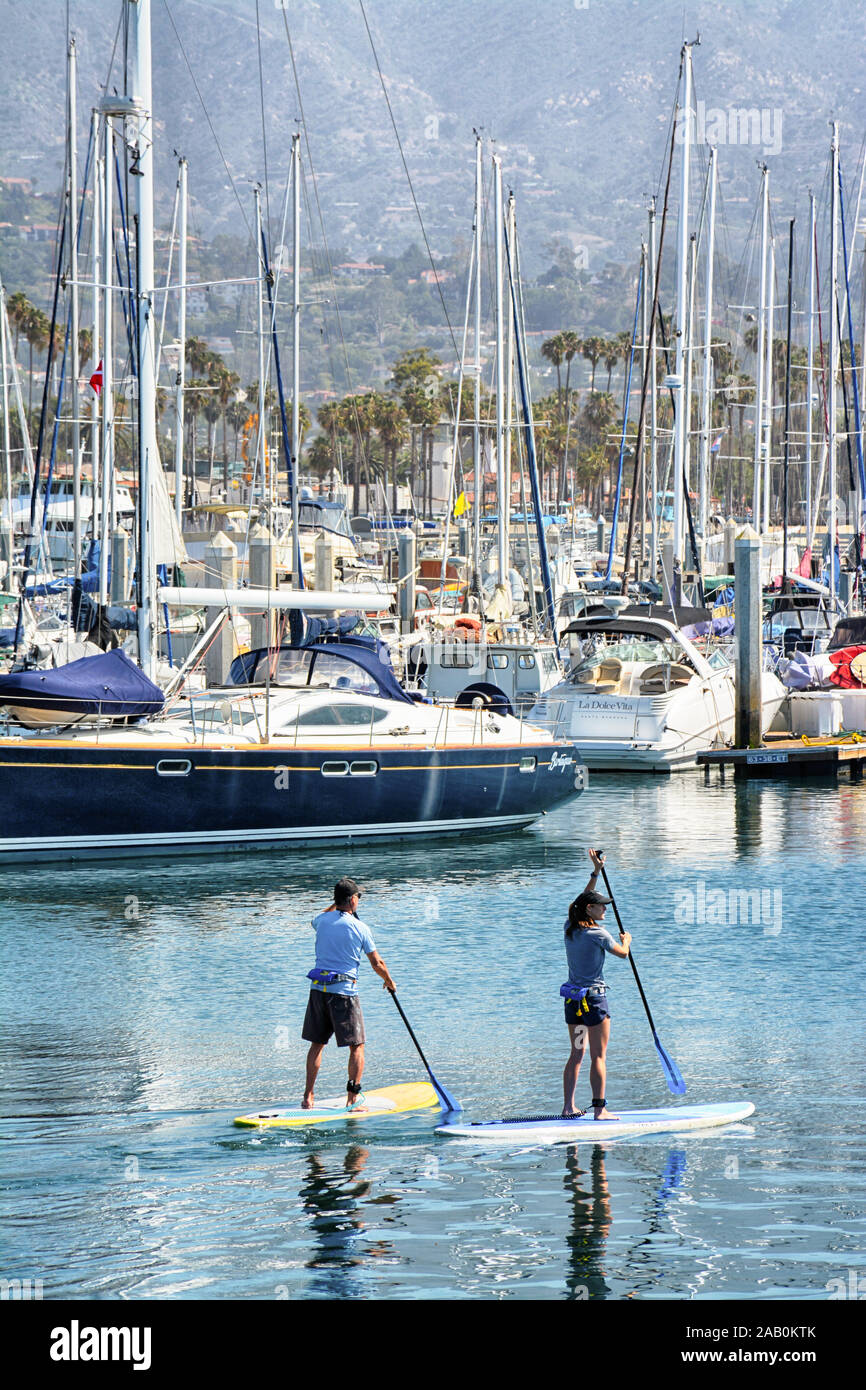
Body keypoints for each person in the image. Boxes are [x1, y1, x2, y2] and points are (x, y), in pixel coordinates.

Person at [302, 877, 396, 1111]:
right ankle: (352, 1100)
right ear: (353, 900)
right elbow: (376, 962)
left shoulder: (322, 921)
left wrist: (336, 904)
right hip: (344, 994)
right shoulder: (360, 927)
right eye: (357, 899)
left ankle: (308, 1097)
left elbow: (318, 917)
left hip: (318, 990)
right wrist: (389, 981)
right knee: (357, 1047)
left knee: (317, 1044)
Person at [562, 850, 631, 1119]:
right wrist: (627, 940)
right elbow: (623, 954)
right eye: (601, 905)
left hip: (574, 1003)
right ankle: (599, 1110)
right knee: (598, 1057)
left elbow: (579, 902)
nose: (605, 908)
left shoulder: (571, 926)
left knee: (577, 1053)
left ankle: (568, 1107)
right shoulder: (598, 933)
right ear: (590, 909)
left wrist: (596, 872)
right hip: (594, 1003)